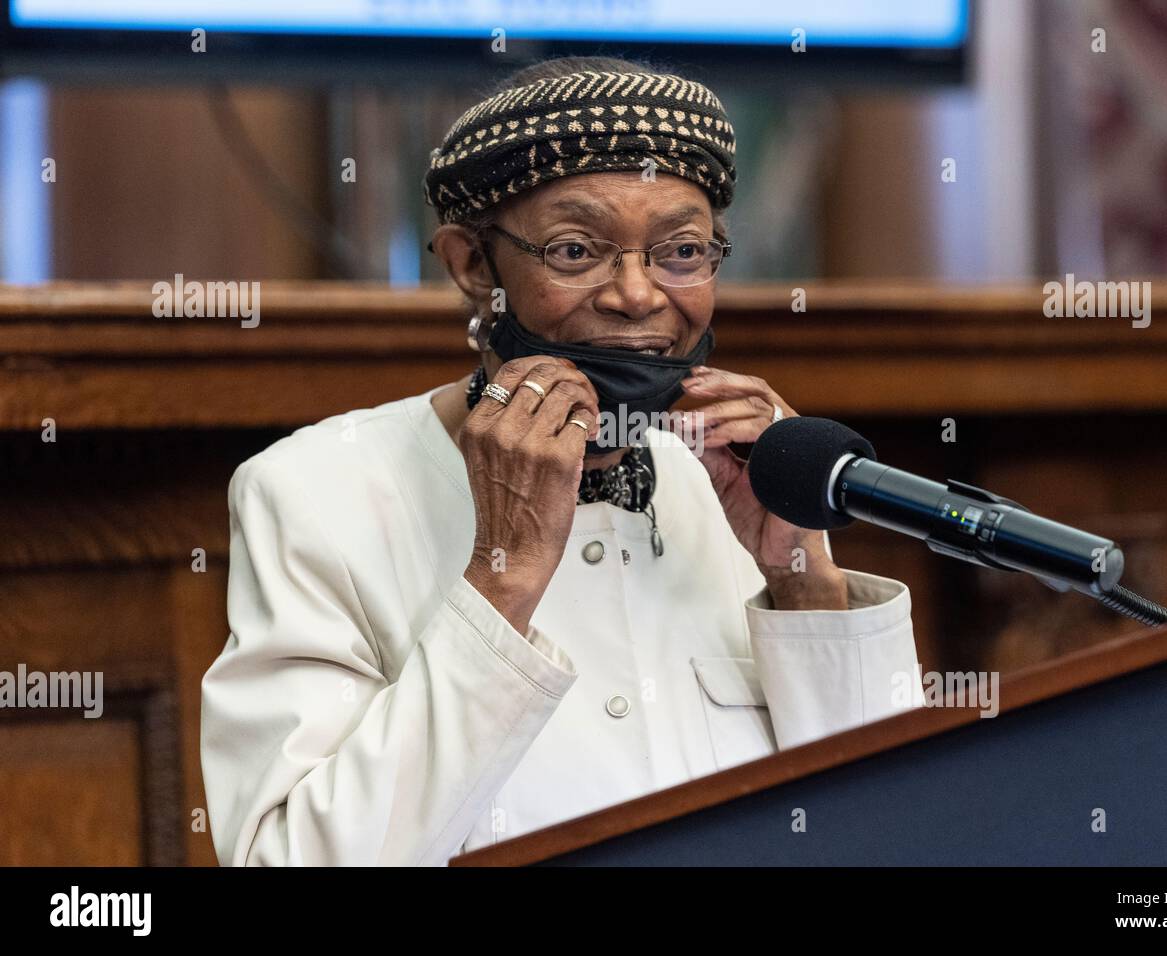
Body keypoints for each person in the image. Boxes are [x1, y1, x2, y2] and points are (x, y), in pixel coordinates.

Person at [200, 54, 923, 867]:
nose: (639, 295)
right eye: (576, 251)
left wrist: (801, 578)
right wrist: (502, 582)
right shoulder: (315, 493)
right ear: (474, 266)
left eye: (681, 251)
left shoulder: (734, 479)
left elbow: (888, 836)